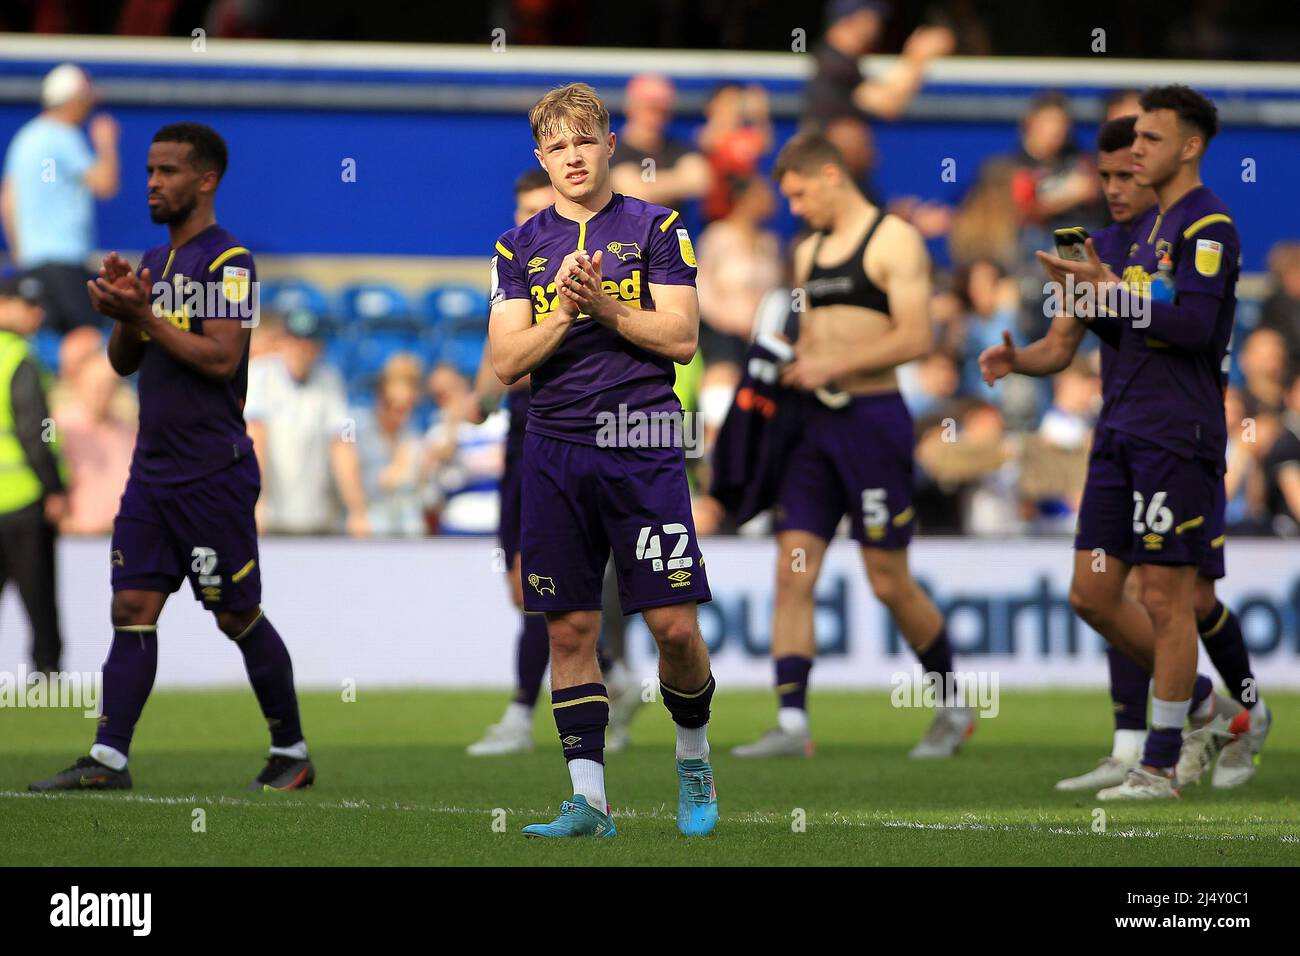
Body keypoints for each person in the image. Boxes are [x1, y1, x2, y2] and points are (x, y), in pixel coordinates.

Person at [31, 122, 314, 793]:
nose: (152, 183)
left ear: (206, 179)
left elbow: (220, 359)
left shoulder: (229, 262)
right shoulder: (154, 265)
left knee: (234, 613)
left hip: (212, 472)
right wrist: (127, 313)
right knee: (131, 605)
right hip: (152, 472)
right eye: (150, 170)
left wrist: (149, 316)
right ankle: (108, 759)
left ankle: (292, 752)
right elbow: (123, 361)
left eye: (168, 171)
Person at [488, 82, 717, 838]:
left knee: (674, 629)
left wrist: (610, 309)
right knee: (569, 630)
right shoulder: (517, 248)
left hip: (642, 440)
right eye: (556, 146)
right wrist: (560, 310)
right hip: (553, 445)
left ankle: (693, 756)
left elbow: (682, 337)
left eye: (584, 140)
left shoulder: (658, 228)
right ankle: (589, 801)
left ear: (611, 144)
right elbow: (503, 362)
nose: (573, 156)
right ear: (540, 158)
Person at [1033, 86, 1255, 800]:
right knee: (1093, 592)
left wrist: (1110, 291)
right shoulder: (1139, 230)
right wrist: (1084, 302)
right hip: (1120, 429)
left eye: (1150, 141)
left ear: (1189, 146)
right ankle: (1208, 709)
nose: (1135, 152)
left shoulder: (1209, 224)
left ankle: (1159, 760)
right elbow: (1126, 327)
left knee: (1168, 595)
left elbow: (1191, 327)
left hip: (1175, 432)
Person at [731, 132, 973, 760]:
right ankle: (790, 723)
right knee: (792, 570)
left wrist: (833, 363)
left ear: (832, 176)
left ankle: (952, 701)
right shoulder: (808, 251)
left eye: (801, 193)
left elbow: (917, 336)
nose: (795, 208)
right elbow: (810, 336)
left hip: (872, 420)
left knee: (888, 578)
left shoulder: (894, 239)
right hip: (815, 426)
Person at [1, 64, 119, 333]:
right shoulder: (65, 136)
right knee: (87, 343)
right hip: (66, 266)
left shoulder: (25, 138)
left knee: (47, 346)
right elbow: (105, 185)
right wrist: (106, 143)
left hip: (33, 265)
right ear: (73, 102)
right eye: (86, 102)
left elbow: (7, 200)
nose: (89, 109)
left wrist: (24, 255)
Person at [244, 308, 369, 536]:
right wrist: (257, 502)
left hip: (317, 517)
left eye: (308, 342)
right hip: (269, 518)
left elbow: (343, 440)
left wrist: (357, 509)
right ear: (282, 342)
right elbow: (256, 438)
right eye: (295, 340)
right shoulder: (259, 374)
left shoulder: (330, 379)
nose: (301, 349)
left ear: (318, 347)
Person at [0, 274, 67, 673]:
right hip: (24, 498)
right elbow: (37, 430)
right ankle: (47, 680)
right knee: (40, 601)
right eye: (29, 305)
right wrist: (54, 488)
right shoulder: (21, 359)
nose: (37, 314)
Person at [803, 0, 953, 127]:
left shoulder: (839, 60)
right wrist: (917, 58)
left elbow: (884, 90)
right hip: (827, 157)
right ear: (856, 19)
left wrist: (914, 59)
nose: (878, 25)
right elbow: (887, 104)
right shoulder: (833, 63)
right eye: (873, 17)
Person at [54, 347, 135, 535]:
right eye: (95, 387)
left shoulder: (126, 429)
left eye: (108, 387)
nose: (101, 394)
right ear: (79, 385)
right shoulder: (62, 427)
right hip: (78, 535)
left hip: (120, 533)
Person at [609, 74, 711, 209]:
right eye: (649, 107)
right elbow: (636, 194)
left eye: (662, 109)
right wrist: (679, 180)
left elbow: (700, 179)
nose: (655, 116)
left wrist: (649, 186)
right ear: (631, 107)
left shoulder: (678, 147)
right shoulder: (613, 151)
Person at [355, 353, 424, 537]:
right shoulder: (357, 428)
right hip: (369, 533)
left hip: (409, 533)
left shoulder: (412, 434)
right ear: (381, 394)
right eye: (392, 404)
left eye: (407, 406)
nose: (400, 413)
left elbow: (424, 493)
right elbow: (354, 486)